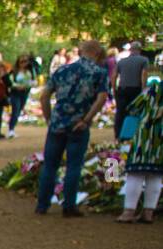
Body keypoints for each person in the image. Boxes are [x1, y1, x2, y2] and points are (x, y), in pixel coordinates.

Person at [36, 40, 109, 217]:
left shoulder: (62, 70)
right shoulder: (99, 72)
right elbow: (102, 98)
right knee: (74, 166)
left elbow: (44, 96)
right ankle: (69, 206)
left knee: (50, 165)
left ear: (81, 51)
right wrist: (86, 119)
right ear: (97, 53)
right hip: (79, 124)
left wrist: (49, 118)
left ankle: (42, 205)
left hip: (57, 124)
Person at [117, 79, 163, 223]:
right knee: (156, 175)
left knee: (136, 173)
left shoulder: (153, 89)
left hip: (145, 135)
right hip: (161, 140)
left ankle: (128, 212)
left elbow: (133, 108)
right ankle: (148, 213)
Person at [115, 42, 150, 139]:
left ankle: (118, 135)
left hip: (122, 89)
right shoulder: (144, 60)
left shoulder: (121, 61)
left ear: (130, 50)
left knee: (120, 112)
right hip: (136, 89)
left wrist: (114, 89)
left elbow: (114, 76)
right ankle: (133, 134)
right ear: (139, 50)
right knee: (136, 112)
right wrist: (143, 89)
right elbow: (144, 75)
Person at [9, 56, 34, 136]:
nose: (23, 64)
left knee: (19, 109)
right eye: (22, 62)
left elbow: (32, 81)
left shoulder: (29, 71)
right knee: (15, 110)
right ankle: (11, 129)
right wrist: (17, 86)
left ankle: (12, 128)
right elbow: (10, 81)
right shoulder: (14, 71)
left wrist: (29, 85)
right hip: (16, 92)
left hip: (25, 92)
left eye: (25, 61)